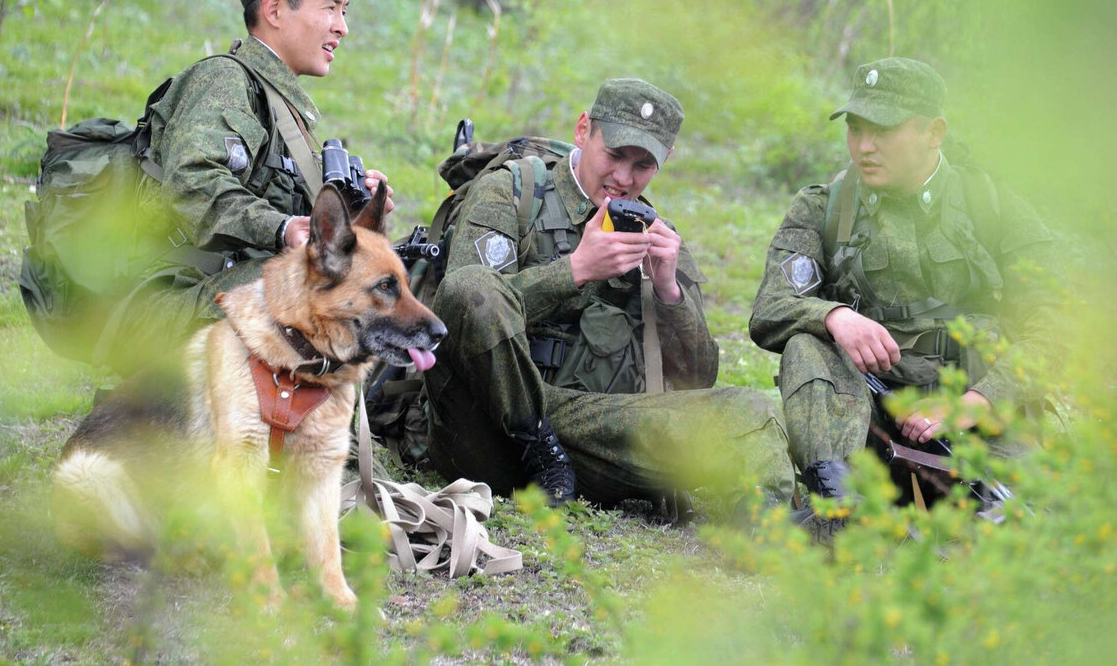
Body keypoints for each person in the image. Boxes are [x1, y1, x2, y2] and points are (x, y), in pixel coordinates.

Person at [423, 78, 794, 515]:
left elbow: (698, 378)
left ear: (665, 162)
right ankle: (540, 447)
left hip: (593, 434)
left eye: (642, 165)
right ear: (584, 131)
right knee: (472, 286)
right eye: (615, 155)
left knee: (753, 413)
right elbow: (464, 309)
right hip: (489, 429)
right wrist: (577, 270)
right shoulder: (511, 192)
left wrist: (668, 291)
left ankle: (765, 533)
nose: (623, 177)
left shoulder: (656, 235)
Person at [748, 57, 1056, 515]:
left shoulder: (994, 209)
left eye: (883, 131)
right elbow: (770, 308)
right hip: (862, 419)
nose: (864, 147)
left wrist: (978, 401)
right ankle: (838, 508)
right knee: (805, 346)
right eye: (855, 128)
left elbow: (1057, 326)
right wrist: (834, 316)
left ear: (933, 133)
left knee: (1021, 525)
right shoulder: (825, 206)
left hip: (973, 415)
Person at [96, 0, 391, 372]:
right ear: (274, 10)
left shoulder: (283, 108)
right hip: (167, 301)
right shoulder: (226, 81)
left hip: (215, 294)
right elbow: (193, 182)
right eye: (330, 8)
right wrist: (284, 228)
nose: (342, 27)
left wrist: (362, 215)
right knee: (307, 291)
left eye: (344, 12)